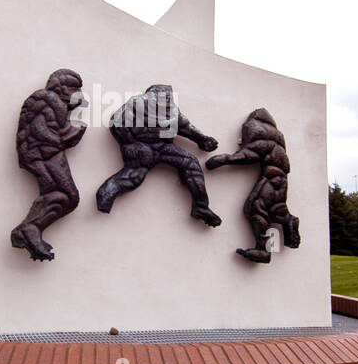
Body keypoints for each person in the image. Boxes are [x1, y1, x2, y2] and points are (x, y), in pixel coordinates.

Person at [96, 83, 222, 227]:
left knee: (191, 163)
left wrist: (202, 139)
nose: (165, 99)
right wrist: (130, 143)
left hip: (163, 146)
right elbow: (116, 122)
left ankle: (200, 206)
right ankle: (105, 197)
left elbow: (185, 127)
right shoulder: (136, 105)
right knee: (134, 176)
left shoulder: (172, 110)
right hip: (140, 146)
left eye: (168, 97)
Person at [206, 108, 300, 262]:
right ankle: (289, 221)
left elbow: (247, 155)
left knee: (255, 208)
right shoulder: (277, 144)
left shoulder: (264, 141)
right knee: (275, 209)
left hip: (271, 179)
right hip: (280, 180)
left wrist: (223, 159)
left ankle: (264, 250)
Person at [11, 68, 86, 261]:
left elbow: (54, 132)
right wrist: (73, 132)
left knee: (68, 197)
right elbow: (42, 133)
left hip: (47, 153)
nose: (79, 94)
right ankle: (30, 228)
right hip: (41, 155)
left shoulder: (56, 105)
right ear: (61, 88)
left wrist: (73, 130)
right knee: (65, 195)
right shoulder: (45, 101)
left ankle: (26, 230)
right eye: (74, 89)